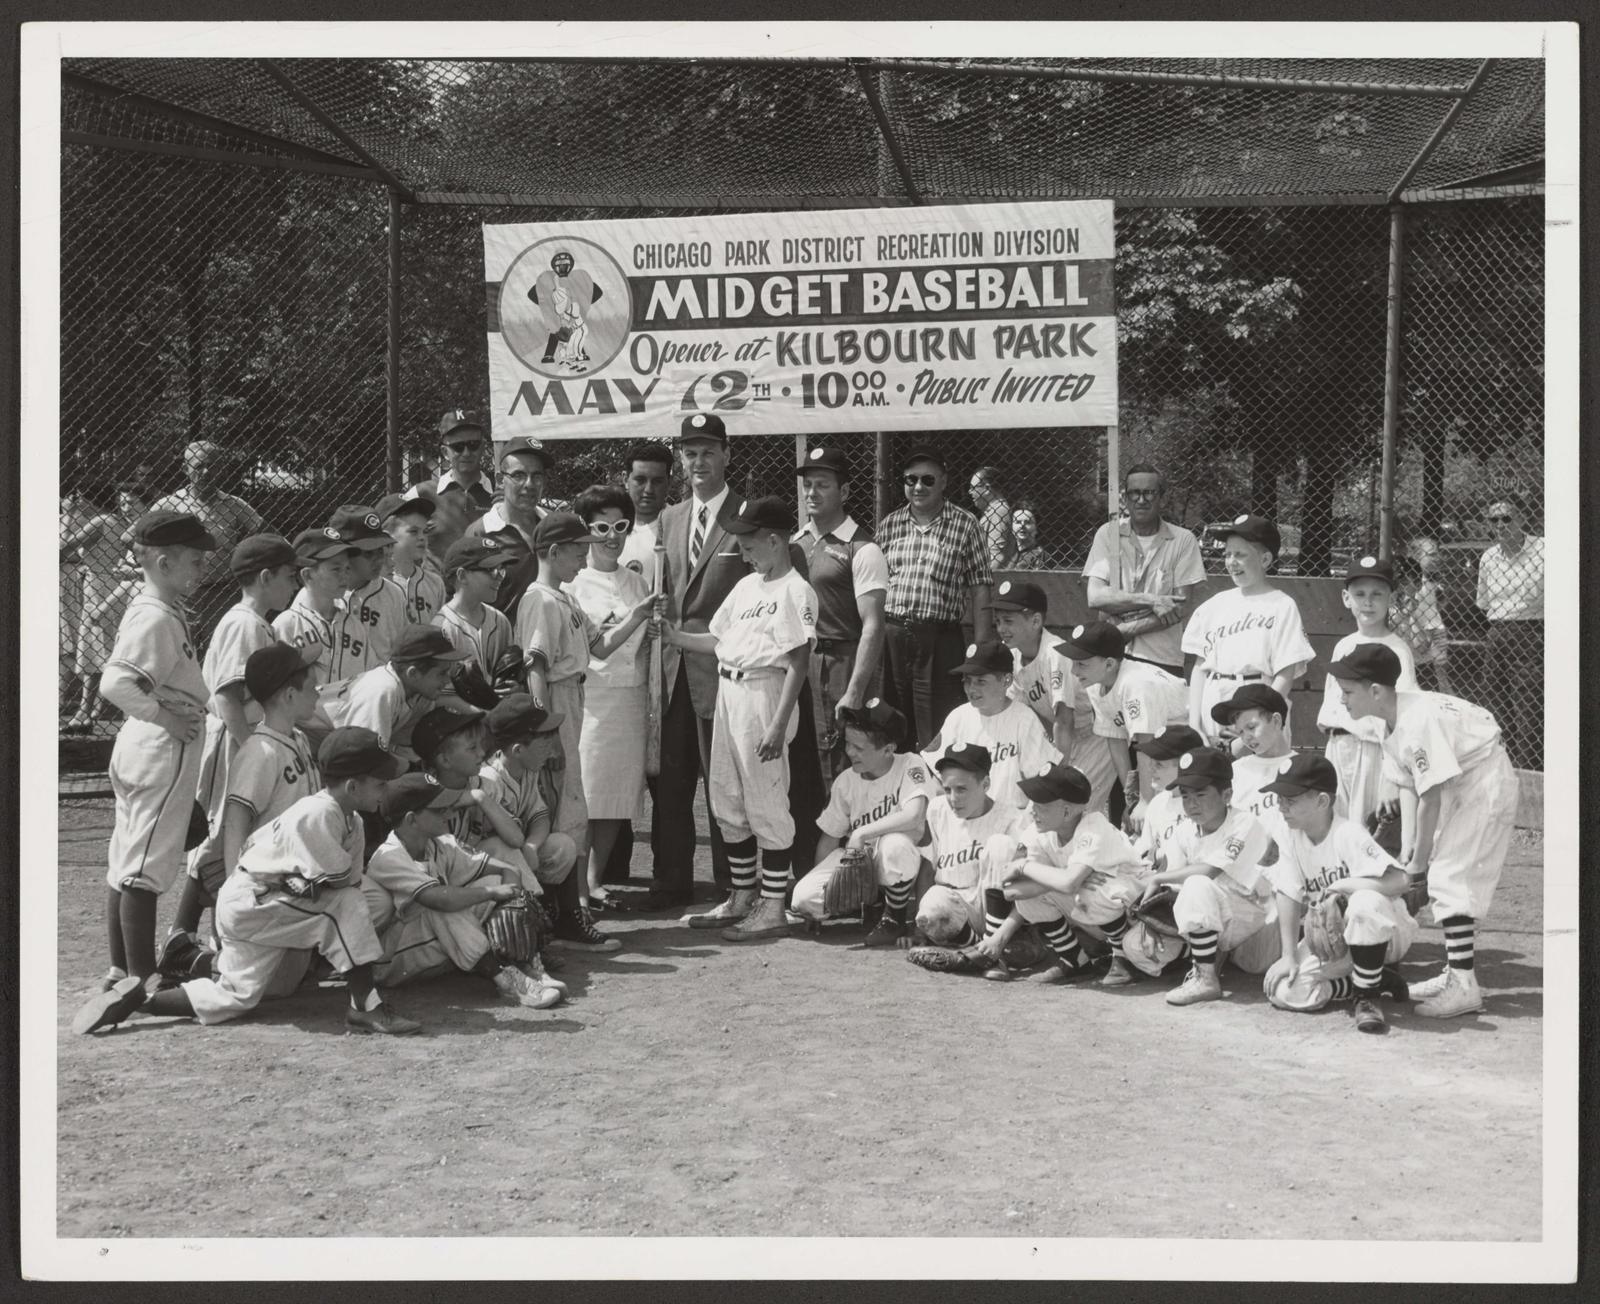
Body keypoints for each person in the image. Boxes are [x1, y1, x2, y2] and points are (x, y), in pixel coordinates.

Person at [72, 727, 419, 1036]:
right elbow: (343, 890)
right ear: (352, 785)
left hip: (267, 905)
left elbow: (346, 883)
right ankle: (366, 1007)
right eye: (380, 783)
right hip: (253, 899)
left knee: (236, 997)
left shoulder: (352, 821)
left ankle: (142, 1003)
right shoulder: (319, 812)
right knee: (347, 906)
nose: (385, 791)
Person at [1329, 643, 1519, 1019]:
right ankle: (1456, 971)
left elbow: (1430, 795)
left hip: (1483, 779)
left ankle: (1464, 986)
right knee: (1443, 869)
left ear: (1376, 691)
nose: (1342, 698)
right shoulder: (1387, 719)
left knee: (1451, 875)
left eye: (1349, 691)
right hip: (1460, 780)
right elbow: (1409, 786)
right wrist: (1411, 851)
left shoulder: (1416, 721)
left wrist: (1418, 861)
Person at [664, 495, 818, 942]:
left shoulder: (794, 589)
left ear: (774, 540)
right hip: (729, 688)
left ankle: (773, 906)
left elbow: (798, 663)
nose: (744, 553)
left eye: (750, 544)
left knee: (766, 797)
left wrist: (777, 724)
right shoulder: (748, 586)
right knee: (727, 796)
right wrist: (674, 636)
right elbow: (718, 641)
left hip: (764, 692)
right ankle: (743, 894)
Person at [91, 510, 214, 994]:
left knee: (127, 860)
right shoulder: (155, 614)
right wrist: (164, 717)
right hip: (162, 746)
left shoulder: (159, 608)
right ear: (163, 563)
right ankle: (142, 978)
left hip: (144, 745)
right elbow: (115, 682)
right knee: (145, 868)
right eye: (195, 560)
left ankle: (121, 971)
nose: (203, 568)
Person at [154, 642, 325, 984]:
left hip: (291, 874)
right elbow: (237, 820)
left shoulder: (299, 740)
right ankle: (189, 960)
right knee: (275, 987)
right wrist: (236, 887)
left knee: (297, 974)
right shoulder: (259, 751)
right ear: (289, 697)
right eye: (310, 687)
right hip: (261, 882)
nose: (318, 694)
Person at [516, 511, 659, 902]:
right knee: (562, 805)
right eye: (578, 551)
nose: (584, 559)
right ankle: (566, 903)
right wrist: (545, 731)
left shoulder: (565, 596)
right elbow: (536, 668)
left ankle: (574, 900)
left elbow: (601, 646)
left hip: (576, 696)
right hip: (557, 698)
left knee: (574, 804)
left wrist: (639, 614)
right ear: (555, 551)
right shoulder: (540, 600)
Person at [167, 534, 301, 947]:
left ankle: (200, 935)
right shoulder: (244, 622)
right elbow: (226, 695)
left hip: (242, 737)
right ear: (265, 577)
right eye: (288, 576)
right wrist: (251, 748)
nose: (294, 586)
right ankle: (182, 935)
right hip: (232, 738)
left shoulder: (256, 622)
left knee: (232, 837)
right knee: (221, 836)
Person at [649, 413, 749, 909]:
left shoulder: (746, 515)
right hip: (672, 672)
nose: (699, 461)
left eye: (709, 451)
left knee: (724, 783)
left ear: (727, 455)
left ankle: (733, 884)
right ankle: (670, 882)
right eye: (690, 453)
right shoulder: (668, 518)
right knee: (670, 782)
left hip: (721, 671)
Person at [362, 773, 562, 1008]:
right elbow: (439, 900)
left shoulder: (441, 843)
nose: (449, 813)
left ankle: (523, 963)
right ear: (411, 820)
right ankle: (506, 981)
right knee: (441, 903)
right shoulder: (389, 857)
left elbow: (507, 869)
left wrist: (510, 900)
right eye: (438, 810)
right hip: (389, 960)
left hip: (433, 944)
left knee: (493, 883)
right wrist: (491, 894)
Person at [1259, 754, 1416, 1035]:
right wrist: (1288, 956)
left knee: (1363, 901)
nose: (1281, 806)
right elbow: (1288, 893)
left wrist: (1345, 886)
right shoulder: (1290, 835)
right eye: (1280, 798)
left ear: (1322, 801)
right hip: (1334, 940)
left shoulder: (1348, 833)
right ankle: (1371, 981)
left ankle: (1367, 999)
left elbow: (1401, 880)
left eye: (1290, 799)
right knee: (1285, 991)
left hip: (1384, 933)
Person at [981, 762, 1150, 987]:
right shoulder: (1038, 831)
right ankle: (1074, 959)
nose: (1032, 810)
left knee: (1092, 889)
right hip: (1095, 911)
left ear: (1068, 811)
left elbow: (1069, 884)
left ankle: (1124, 958)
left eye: (1042, 804)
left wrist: (1025, 867)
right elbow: (1011, 891)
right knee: (1032, 897)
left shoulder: (1093, 826)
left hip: (1136, 908)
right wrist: (1063, 879)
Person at [568, 485, 655, 908]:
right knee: (586, 795)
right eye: (601, 527)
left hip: (630, 699)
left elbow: (647, 642)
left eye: (620, 526)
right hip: (591, 702)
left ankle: (595, 879)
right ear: (586, 531)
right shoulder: (573, 585)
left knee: (616, 798)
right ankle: (578, 891)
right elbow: (591, 646)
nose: (611, 536)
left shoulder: (638, 582)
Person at [1141, 747, 1281, 1007]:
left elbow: (1207, 871)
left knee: (1196, 884)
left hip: (1259, 926)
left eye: (1201, 794)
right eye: (1185, 795)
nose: (1192, 803)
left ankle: (1206, 978)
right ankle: (1206, 958)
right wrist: (1149, 924)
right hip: (1223, 922)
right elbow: (1170, 883)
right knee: (1138, 950)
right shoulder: (1184, 830)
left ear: (1226, 794)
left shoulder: (1245, 822)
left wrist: (1157, 879)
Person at [788, 698, 937, 943]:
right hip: (861, 864)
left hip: (905, 862)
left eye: (859, 748)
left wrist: (861, 833)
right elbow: (830, 838)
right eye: (848, 744)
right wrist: (820, 887)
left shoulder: (911, 764)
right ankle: (870, 902)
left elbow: (914, 815)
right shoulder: (846, 780)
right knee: (803, 899)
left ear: (888, 749)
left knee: (894, 845)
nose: (850, 752)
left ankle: (894, 918)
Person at [878, 447, 995, 749]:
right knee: (891, 724)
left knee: (937, 729)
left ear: (943, 482)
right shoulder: (889, 525)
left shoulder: (967, 525)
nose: (918, 487)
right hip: (892, 636)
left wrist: (981, 651)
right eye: (911, 479)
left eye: (928, 479)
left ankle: (936, 792)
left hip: (938, 641)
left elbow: (980, 587)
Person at [793, 445, 889, 784]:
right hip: (802, 662)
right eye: (808, 485)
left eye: (823, 484)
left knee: (846, 761)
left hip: (842, 662)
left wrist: (855, 690)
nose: (812, 493)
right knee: (804, 760)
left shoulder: (862, 548)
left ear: (844, 491)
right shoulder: (795, 543)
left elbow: (873, 627)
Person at [1181, 514, 1314, 747]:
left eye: (1240, 554)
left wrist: (1253, 723)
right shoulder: (1215, 605)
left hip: (1260, 707)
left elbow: (1285, 674)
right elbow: (1200, 666)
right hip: (1214, 704)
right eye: (1228, 554)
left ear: (1264, 559)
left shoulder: (1281, 606)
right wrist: (1195, 724)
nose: (1231, 561)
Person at [1056, 619, 1189, 832]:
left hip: (1186, 744)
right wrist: (1133, 798)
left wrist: (1146, 801)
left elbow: (1147, 742)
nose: (1074, 670)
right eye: (1073, 662)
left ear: (1109, 664)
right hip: (1162, 751)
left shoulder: (1136, 683)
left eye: (1082, 663)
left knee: (1168, 815)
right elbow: (1115, 739)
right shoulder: (1095, 684)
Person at [992, 582, 1114, 813]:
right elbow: (1016, 714)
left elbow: (1064, 719)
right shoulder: (1013, 656)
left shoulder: (1055, 653)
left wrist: (1057, 774)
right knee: (1048, 809)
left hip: (1096, 735)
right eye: (998, 621)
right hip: (1066, 739)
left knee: (1077, 807)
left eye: (1009, 621)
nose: (1001, 628)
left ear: (1036, 621)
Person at [1317, 555, 1419, 828]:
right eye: (1359, 594)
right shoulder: (1343, 646)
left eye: (1377, 594)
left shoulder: (1396, 650)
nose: (1368, 602)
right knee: (1335, 830)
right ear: (1346, 598)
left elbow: (1401, 721)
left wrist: (1391, 777)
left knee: (1364, 832)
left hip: (1373, 752)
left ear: (1391, 598)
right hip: (1338, 747)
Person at [1083, 464, 1206, 678]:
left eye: (1149, 492)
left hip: (1161, 661)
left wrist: (1127, 630)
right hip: (1110, 658)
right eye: (1134, 493)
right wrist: (1152, 600)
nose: (1141, 500)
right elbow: (1095, 597)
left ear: (1162, 497)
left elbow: (1179, 607)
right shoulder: (1108, 534)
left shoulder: (1183, 540)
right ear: (1125, 498)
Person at [904, 743, 1028, 954]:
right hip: (956, 906)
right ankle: (976, 947)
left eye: (962, 789)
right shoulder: (937, 809)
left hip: (997, 905)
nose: (953, 798)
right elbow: (928, 867)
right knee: (931, 908)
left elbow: (1026, 887)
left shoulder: (1011, 819)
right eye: (947, 789)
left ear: (986, 783)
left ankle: (993, 943)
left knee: (1000, 845)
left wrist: (1002, 934)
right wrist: (920, 928)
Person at [923, 639, 1060, 813]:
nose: (971, 688)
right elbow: (937, 781)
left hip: (1011, 820)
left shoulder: (1024, 718)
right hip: (966, 819)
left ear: (1006, 680)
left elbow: (1042, 782)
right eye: (967, 681)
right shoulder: (958, 717)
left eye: (981, 681)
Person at [151, 441, 265, 644]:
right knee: (183, 650)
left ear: (221, 468)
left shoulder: (234, 505)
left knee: (221, 648)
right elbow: (132, 537)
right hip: (182, 594)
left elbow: (266, 534)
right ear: (185, 468)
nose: (206, 472)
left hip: (222, 593)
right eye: (199, 466)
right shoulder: (170, 504)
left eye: (212, 465)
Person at [319, 624, 470, 764]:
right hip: (303, 736)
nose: (447, 680)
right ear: (413, 673)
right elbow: (362, 760)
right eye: (442, 673)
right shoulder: (383, 691)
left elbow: (405, 744)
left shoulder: (417, 690)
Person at [63, 480, 148, 730]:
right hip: (103, 591)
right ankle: (86, 713)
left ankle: (106, 714)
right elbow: (65, 548)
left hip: (125, 592)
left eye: (132, 502)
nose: (126, 507)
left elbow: (64, 548)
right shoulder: (108, 523)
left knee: (116, 652)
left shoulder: (142, 528)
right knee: (97, 650)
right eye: (122, 501)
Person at [1475, 496, 1543, 769]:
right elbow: (1483, 602)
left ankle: (1529, 769)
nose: (1500, 524)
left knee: (1528, 706)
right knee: (1494, 702)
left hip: (1531, 632)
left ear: (1522, 519)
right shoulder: (1489, 557)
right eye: (1494, 520)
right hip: (1497, 631)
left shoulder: (1544, 550)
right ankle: (1502, 764)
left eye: (1507, 518)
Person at [464, 436, 554, 619]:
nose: (529, 484)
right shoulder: (480, 533)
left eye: (537, 476)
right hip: (501, 643)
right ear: (500, 479)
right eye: (519, 475)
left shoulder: (553, 526)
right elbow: (467, 603)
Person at [326, 504, 410, 681]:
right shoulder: (322, 594)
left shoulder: (393, 594)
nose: (379, 559)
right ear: (344, 553)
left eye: (381, 550)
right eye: (369, 554)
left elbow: (401, 652)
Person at [272, 528, 355, 686]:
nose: (345, 575)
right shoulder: (287, 625)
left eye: (347, 568)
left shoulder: (354, 625)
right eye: (336, 569)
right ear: (308, 575)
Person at [431, 535, 518, 679]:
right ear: (462, 575)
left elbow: (510, 675)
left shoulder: (500, 621)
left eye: (501, 569)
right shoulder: (443, 627)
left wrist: (513, 688)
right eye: (491, 570)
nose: (499, 577)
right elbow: (440, 694)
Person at [379, 492, 447, 625]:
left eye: (425, 531)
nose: (422, 537)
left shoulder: (434, 583)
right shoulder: (377, 582)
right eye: (413, 531)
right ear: (387, 536)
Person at [1392, 552, 1452, 694]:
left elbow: (1443, 599)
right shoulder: (1392, 602)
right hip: (1404, 652)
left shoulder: (1429, 587)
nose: (1401, 587)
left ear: (1418, 584)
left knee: (1438, 678)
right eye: (1399, 583)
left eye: (1406, 583)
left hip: (1425, 645)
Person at [618, 441, 673, 592]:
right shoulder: (609, 528)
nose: (648, 489)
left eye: (657, 481)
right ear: (625, 479)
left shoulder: (680, 528)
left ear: (669, 482)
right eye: (640, 480)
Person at [423, 409, 497, 515]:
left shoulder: (500, 494)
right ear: (444, 452)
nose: (466, 453)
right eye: (458, 446)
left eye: (473, 444)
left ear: (483, 447)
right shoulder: (424, 494)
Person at [968, 465, 1016, 572]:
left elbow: (997, 556)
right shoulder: (992, 511)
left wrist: (980, 582)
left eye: (973, 488)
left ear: (987, 489)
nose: (969, 492)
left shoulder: (999, 511)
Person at [1009, 503, 1047, 571]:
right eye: (1017, 522)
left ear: (1037, 527)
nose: (1022, 525)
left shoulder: (1040, 555)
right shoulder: (1006, 552)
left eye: (1028, 522)